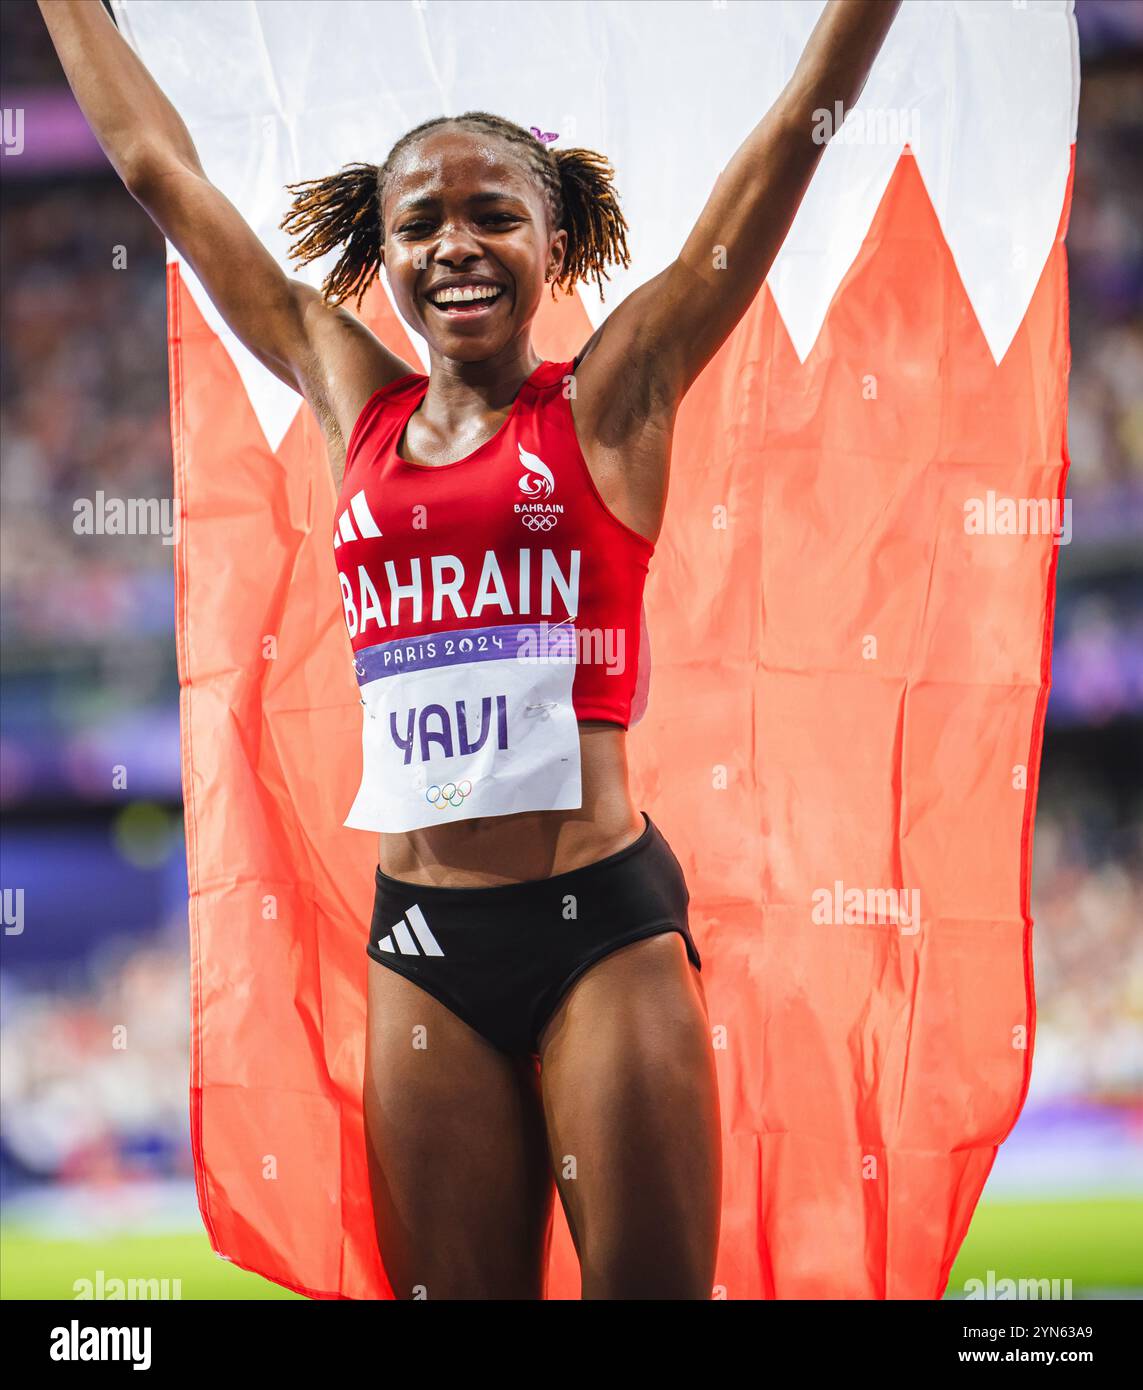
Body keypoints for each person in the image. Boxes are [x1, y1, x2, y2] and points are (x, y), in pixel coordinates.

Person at [40, 0, 901, 1299]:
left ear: (554, 235)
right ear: (379, 252)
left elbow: (787, 142)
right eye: (420, 223)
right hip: (425, 949)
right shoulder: (354, 400)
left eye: (494, 213)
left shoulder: (614, 399)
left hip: (599, 935)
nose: (457, 246)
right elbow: (161, 171)